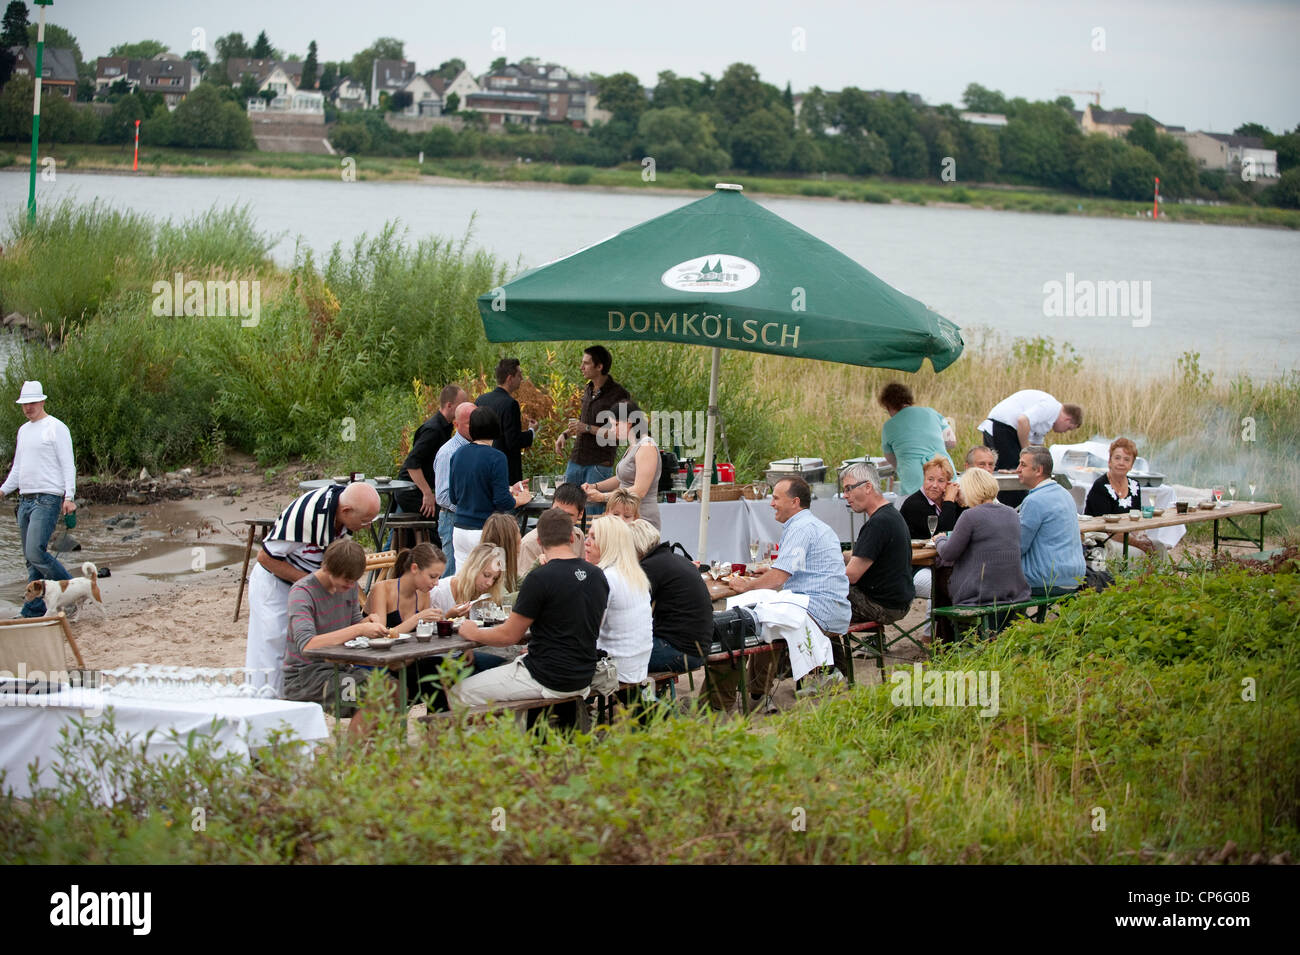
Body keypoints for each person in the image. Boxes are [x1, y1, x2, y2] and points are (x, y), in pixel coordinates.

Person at [450, 508, 610, 707]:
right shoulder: (597, 575)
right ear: (571, 537)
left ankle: (491, 738)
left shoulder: (540, 578)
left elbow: (508, 636)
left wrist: (474, 633)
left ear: (539, 542)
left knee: (458, 692)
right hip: (584, 674)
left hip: (546, 676)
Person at [245, 480, 381, 696]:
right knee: (272, 648)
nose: (368, 526)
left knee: (298, 643)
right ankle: (264, 705)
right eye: (365, 521)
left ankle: (290, 705)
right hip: (275, 582)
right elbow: (265, 558)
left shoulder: (343, 513)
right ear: (346, 511)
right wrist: (311, 583)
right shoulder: (307, 516)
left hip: (304, 581)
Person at [281, 539, 390, 738]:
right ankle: (350, 760)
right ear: (327, 568)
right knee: (377, 694)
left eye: (352, 581)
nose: (349, 586)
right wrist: (360, 629)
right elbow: (308, 645)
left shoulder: (348, 588)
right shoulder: (302, 593)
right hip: (305, 676)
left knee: (395, 689)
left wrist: (368, 622)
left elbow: (353, 628)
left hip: (339, 668)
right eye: (346, 581)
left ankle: (373, 756)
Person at [932, 467, 1029, 632]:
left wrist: (939, 539)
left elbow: (948, 553)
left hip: (980, 594)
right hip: (1014, 591)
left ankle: (946, 643)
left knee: (940, 581)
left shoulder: (970, 516)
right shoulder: (1011, 513)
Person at [1, 381, 77, 582]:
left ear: (42, 402)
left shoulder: (56, 427)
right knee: (30, 558)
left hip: (47, 499)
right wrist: (2, 491)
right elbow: (17, 469)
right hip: (24, 500)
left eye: (32, 402)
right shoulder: (23, 431)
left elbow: (68, 464)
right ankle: (33, 608)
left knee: (35, 553)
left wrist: (69, 497)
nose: (28, 407)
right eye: (25, 404)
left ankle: (72, 590)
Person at [448, 406, 531, 567]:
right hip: (486, 529)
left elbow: (454, 497)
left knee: (464, 583)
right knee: (492, 582)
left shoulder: (457, 454)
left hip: (460, 529)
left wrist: (506, 488)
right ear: (495, 427)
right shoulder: (497, 457)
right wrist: (520, 499)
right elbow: (502, 502)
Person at [629, 518, 713, 674]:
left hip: (678, 650)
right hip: (698, 648)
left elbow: (632, 610)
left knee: (616, 660)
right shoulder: (677, 559)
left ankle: (639, 698)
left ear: (635, 547)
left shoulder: (650, 566)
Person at [554, 345, 631, 515]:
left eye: (586, 363)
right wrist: (565, 434)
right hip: (576, 461)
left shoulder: (619, 394)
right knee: (564, 509)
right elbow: (584, 422)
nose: (581, 367)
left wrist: (587, 428)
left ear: (599, 366)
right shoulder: (588, 389)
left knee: (593, 516)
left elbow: (620, 434)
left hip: (598, 464)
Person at [840, 463, 915, 629]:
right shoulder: (891, 514)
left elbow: (851, 576)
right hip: (899, 600)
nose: (845, 495)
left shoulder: (878, 523)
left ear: (868, 487)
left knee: (817, 601)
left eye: (849, 489)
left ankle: (829, 655)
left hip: (883, 605)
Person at [583, 516, 653, 684]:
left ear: (609, 544)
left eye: (594, 537)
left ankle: (574, 710)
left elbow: (588, 629)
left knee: (552, 668)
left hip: (616, 666)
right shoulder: (633, 573)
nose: (586, 542)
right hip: (639, 662)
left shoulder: (604, 577)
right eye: (588, 536)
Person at [1017, 446, 1086, 596]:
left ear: (1038, 470)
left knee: (995, 580)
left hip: (1045, 579)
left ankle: (999, 620)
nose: (1017, 469)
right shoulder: (1064, 493)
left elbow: (1019, 546)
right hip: (1075, 577)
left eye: (1023, 465)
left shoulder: (1034, 500)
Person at [394, 383, 467, 525]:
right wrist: (427, 493)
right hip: (411, 490)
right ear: (449, 405)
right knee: (443, 516)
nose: (464, 408)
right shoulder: (433, 430)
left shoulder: (445, 426)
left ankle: (392, 545)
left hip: (417, 489)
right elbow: (412, 463)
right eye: (462, 404)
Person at [583, 401, 662, 530]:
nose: (613, 429)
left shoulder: (646, 447)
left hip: (641, 518)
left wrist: (603, 497)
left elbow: (640, 490)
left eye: (616, 424)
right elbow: (621, 479)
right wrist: (595, 486)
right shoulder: (634, 446)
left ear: (629, 422)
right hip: (625, 517)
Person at [878, 382, 954, 496]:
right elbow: (951, 442)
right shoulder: (932, 412)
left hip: (913, 480)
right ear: (909, 399)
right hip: (944, 473)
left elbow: (891, 458)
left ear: (888, 406)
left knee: (915, 511)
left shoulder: (889, 426)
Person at [1084, 436, 1156, 556]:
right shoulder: (1101, 486)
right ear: (1109, 462)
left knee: (1157, 546)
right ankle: (1139, 575)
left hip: (1128, 538)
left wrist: (1142, 536)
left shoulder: (1134, 486)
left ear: (1131, 465)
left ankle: (1164, 575)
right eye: (1117, 458)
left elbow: (1136, 519)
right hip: (1102, 540)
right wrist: (1137, 543)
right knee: (1139, 553)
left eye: (1127, 459)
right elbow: (1105, 528)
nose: (1121, 463)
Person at [979, 390, 1083, 470]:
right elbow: (1023, 421)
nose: (1065, 432)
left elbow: (1036, 446)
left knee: (1015, 469)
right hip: (1002, 426)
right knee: (1012, 470)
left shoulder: (1048, 421)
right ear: (1067, 419)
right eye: (1069, 428)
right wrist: (1026, 452)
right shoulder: (1051, 407)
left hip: (1004, 428)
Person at [363, 543, 446, 635]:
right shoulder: (382, 589)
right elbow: (381, 634)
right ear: (414, 568)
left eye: (438, 577)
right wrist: (417, 618)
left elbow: (424, 632)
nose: (436, 583)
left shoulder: (423, 594)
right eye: (432, 576)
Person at [476, 358, 535, 486]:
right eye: (519, 375)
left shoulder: (481, 400)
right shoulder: (510, 404)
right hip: (505, 471)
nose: (522, 379)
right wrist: (531, 431)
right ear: (510, 378)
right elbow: (513, 441)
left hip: (481, 467)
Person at [433, 401, 475, 575]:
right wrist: (469, 507)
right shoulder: (448, 452)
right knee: (451, 574)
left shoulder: (475, 448)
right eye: (469, 424)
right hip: (452, 518)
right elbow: (442, 496)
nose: (475, 427)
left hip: (468, 519)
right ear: (456, 425)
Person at [519, 483, 586, 574]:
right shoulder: (529, 543)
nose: (560, 518)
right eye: (557, 511)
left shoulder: (579, 535)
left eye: (567, 515)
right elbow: (523, 584)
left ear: (580, 514)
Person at [480, 511, 522, 593]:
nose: (521, 538)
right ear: (509, 540)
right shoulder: (492, 566)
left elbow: (521, 583)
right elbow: (505, 599)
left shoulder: (505, 563)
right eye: (518, 533)